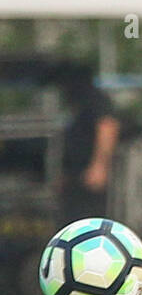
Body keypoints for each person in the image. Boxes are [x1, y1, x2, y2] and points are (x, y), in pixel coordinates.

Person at [56, 63, 121, 227]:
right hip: (76, 175)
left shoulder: (94, 99)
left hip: (90, 175)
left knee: (92, 221)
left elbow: (107, 127)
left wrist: (99, 166)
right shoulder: (77, 104)